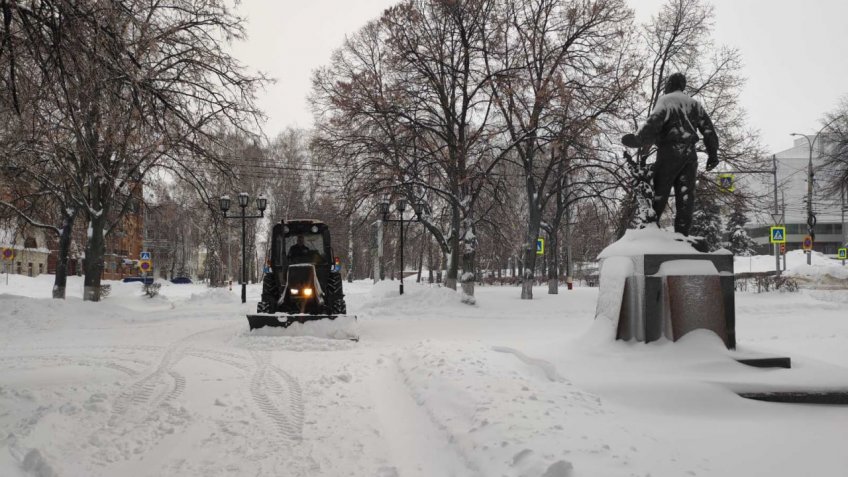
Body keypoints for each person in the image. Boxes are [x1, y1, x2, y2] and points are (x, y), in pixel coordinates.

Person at [625, 72, 719, 237]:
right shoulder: (695, 105)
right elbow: (709, 130)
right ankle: (682, 235)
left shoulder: (666, 101)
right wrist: (713, 154)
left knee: (660, 190)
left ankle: (650, 229)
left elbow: (653, 124)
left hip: (669, 152)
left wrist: (637, 140)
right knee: (686, 196)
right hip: (690, 156)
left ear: (670, 85)